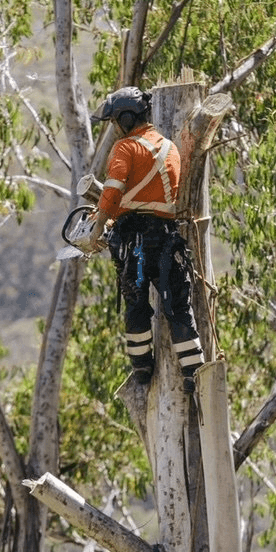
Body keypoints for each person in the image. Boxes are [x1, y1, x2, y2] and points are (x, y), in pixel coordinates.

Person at [89, 87, 204, 393]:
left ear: (126, 119)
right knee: (178, 306)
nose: (114, 128)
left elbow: (112, 191)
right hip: (167, 239)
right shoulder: (170, 148)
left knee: (137, 305)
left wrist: (97, 228)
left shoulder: (126, 148)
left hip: (135, 245)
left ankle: (142, 367)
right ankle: (193, 371)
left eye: (115, 121)